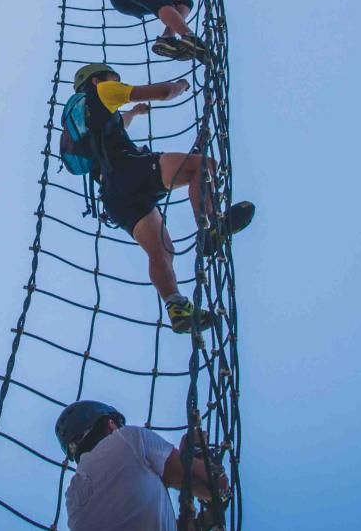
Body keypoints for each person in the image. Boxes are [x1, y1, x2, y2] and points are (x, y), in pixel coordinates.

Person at [71, 62, 255, 332]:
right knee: (202, 167)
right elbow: (165, 92)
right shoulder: (103, 91)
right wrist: (182, 85)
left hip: (113, 197)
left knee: (162, 250)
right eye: (113, 76)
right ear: (97, 80)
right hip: (130, 169)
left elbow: (119, 123)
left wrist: (133, 112)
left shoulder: (83, 122)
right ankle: (212, 225)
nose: (116, 80)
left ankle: (176, 306)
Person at [56, 400, 229, 531]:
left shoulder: (73, 498)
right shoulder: (128, 439)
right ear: (110, 424)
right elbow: (216, 486)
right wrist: (196, 452)